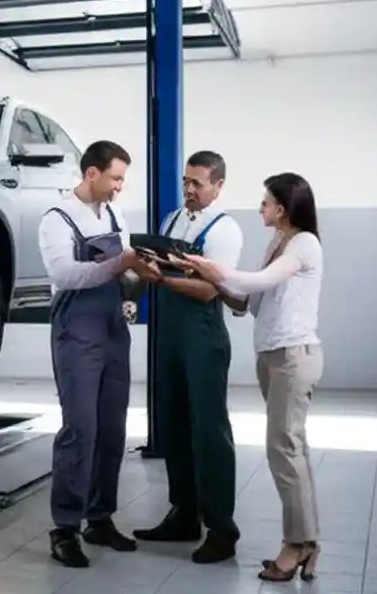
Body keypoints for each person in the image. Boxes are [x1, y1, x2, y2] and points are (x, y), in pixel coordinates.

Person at [174, 172, 325, 583]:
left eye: (266, 201)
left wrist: (213, 268)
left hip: (294, 357)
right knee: (293, 449)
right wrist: (209, 280)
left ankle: (294, 546)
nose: (261, 207)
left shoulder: (303, 243)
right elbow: (252, 301)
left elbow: (260, 281)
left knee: (283, 450)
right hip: (273, 356)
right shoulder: (278, 242)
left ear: (283, 207)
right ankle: (308, 543)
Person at [37, 139, 148, 568]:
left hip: (112, 328)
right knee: (79, 429)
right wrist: (118, 266)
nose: (120, 187)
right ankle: (64, 528)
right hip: (77, 328)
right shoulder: (57, 218)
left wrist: (139, 274)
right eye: (116, 178)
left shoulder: (115, 212)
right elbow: (63, 273)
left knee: (112, 429)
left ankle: (99, 518)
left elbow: (124, 266)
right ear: (91, 174)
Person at [133, 150, 244, 564]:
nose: (189, 190)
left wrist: (159, 276)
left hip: (202, 335)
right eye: (186, 181)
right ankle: (183, 515)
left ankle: (221, 529)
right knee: (174, 424)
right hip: (170, 335)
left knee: (209, 431)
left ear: (218, 186)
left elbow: (209, 290)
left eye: (197, 183)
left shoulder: (225, 230)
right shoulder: (171, 221)